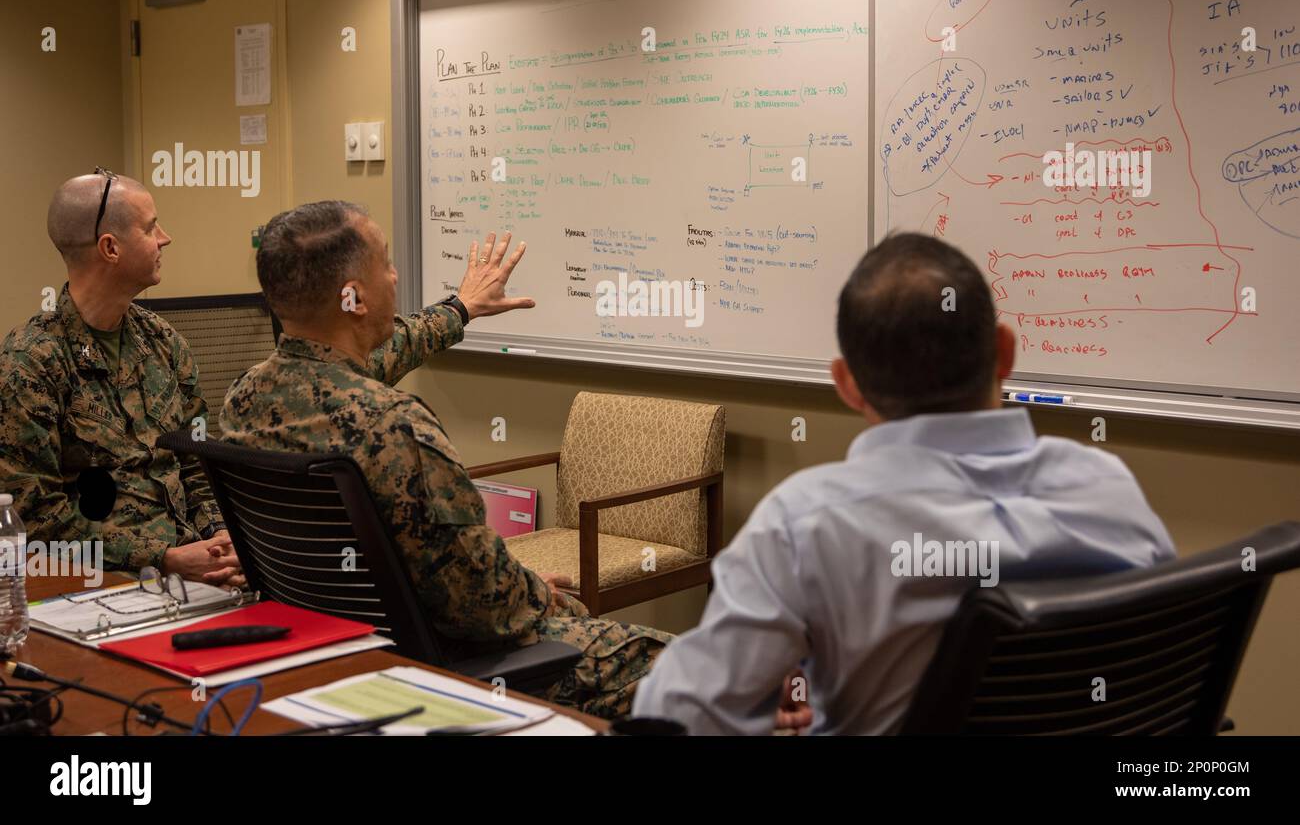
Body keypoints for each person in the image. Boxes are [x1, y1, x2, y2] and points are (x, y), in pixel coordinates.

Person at [632, 233, 1175, 734]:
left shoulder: (805, 524)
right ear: (1005, 352)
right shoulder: (1108, 488)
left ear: (846, 385)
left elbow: (677, 719)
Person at [219, 201, 670, 717]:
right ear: (355, 297)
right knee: (691, 665)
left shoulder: (245, 399)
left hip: (330, 645)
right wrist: (538, 594)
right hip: (447, 662)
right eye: (386, 262)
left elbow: (364, 366)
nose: (395, 275)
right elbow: (483, 608)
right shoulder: (396, 426)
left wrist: (461, 308)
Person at [0, 170, 242, 584]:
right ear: (110, 248)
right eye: (150, 227)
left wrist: (221, 539)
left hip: (193, 575)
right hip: (98, 583)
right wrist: (164, 558)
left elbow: (198, 466)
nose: (165, 238)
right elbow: (33, 518)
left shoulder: (163, 342)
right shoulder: (32, 362)